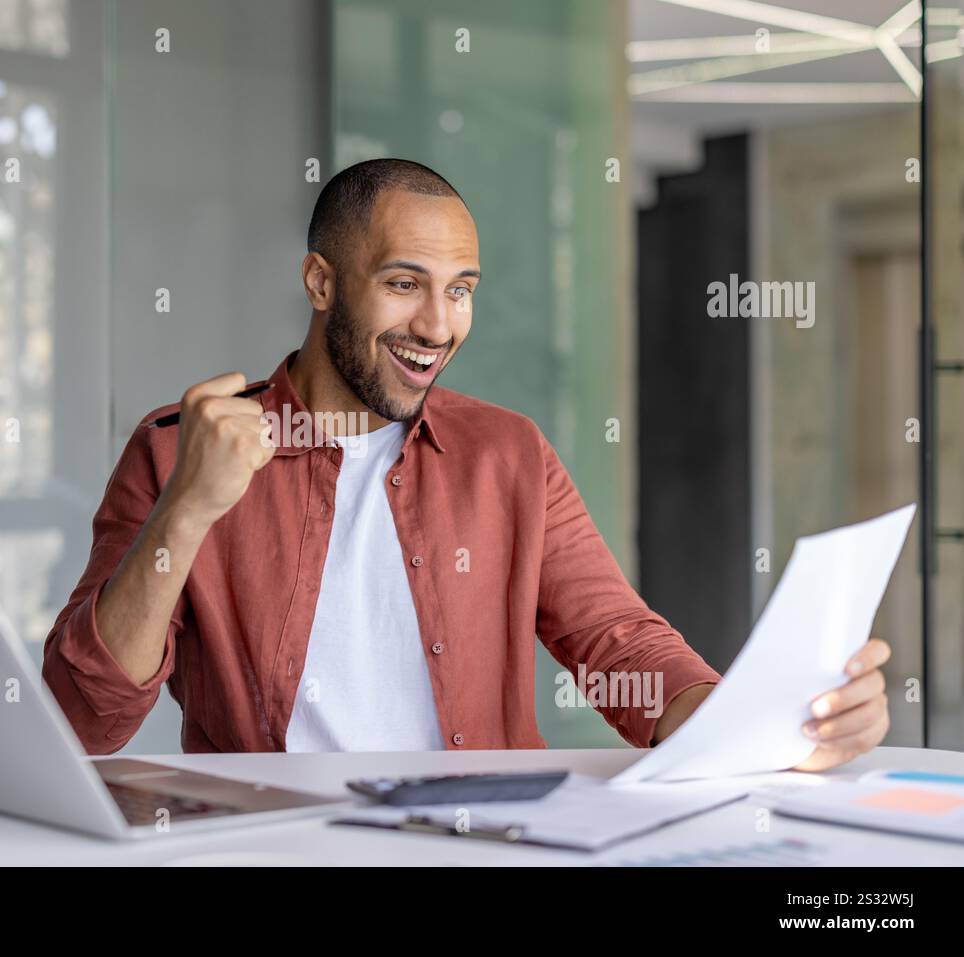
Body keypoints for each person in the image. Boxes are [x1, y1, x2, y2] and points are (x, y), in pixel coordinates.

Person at [43, 158, 890, 766]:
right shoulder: (178, 449)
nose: (440, 325)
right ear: (321, 282)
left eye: (462, 289)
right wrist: (187, 509)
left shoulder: (507, 452)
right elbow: (87, 717)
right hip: (276, 848)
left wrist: (763, 723)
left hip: (480, 845)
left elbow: (615, 640)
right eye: (405, 283)